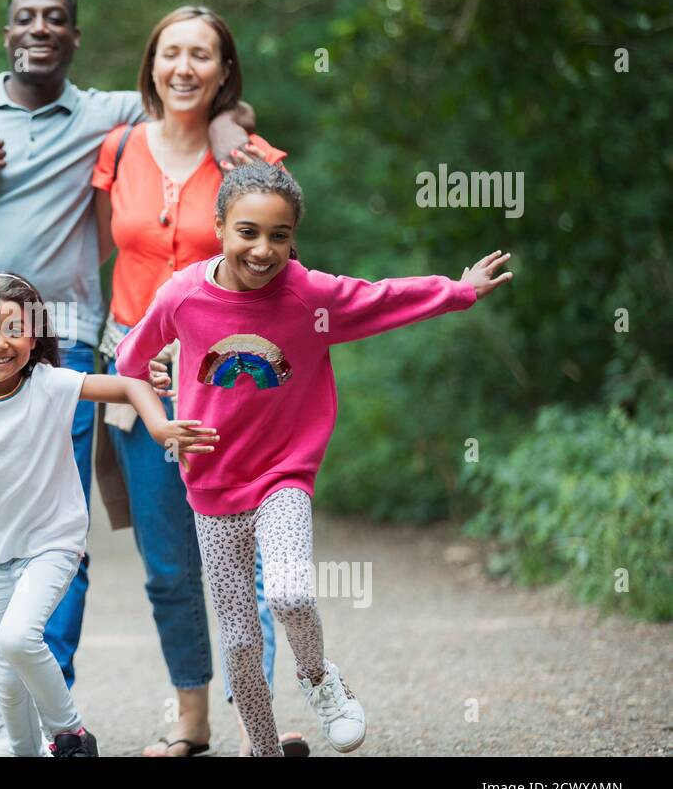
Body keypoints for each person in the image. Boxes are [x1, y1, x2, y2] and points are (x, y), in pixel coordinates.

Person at [0, 0, 248, 753]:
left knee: (57, 536)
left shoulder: (107, 116)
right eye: (24, 18)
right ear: (6, 33)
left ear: (74, 39)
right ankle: (9, 704)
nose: (39, 28)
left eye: (56, 19)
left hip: (66, 341)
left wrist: (230, 139)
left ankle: (51, 717)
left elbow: (204, 108)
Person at [116, 160, 513, 755]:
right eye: (248, 231)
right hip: (212, 486)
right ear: (219, 226)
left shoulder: (307, 294)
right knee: (241, 641)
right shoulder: (182, 295)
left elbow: (381, 299)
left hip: (283, 474)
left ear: (293, 237)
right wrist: (158, 415)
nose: (263, 249)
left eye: (279, 235)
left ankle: (320, 679)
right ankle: (266, 747)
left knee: (290, 593)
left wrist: (458, 291)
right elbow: (128, 359)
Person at [91, 5, 303, 757]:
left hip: (235, 380)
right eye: (171, 53)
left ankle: (262, 722)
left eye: (202, 55)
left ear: (223, 72)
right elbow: (92, 255)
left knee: (247, 560)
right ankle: (190, 715)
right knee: (171, 562)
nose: (184, 68)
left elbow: (285, 268)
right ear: (150, 66)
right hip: (142, 376)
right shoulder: (116, 150)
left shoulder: (252, 160)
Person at [0, 272, 217, 757]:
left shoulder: (50, 384)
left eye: (14, 329)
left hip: (53, 543)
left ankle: (70, 733)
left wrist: (160, 427)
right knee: (5, 679)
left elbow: (128, 386)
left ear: (34, 337)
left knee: (18, 637)